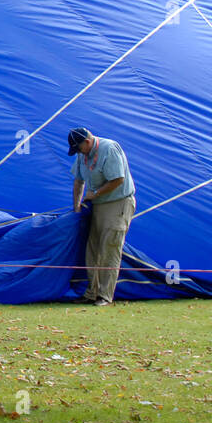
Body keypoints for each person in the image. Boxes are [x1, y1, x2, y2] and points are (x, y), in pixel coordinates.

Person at [67, 127, 136, 307]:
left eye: (79, 148)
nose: (79, 153)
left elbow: (118, 179)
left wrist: (95, 193)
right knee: (93, 250)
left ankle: (105, 295)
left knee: (110, 248)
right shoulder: (82, 155)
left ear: (87, 142)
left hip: (118, 203)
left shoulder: (109, 148)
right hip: (96, 206)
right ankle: (91, 293)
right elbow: (78, 181)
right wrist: (76, 207)